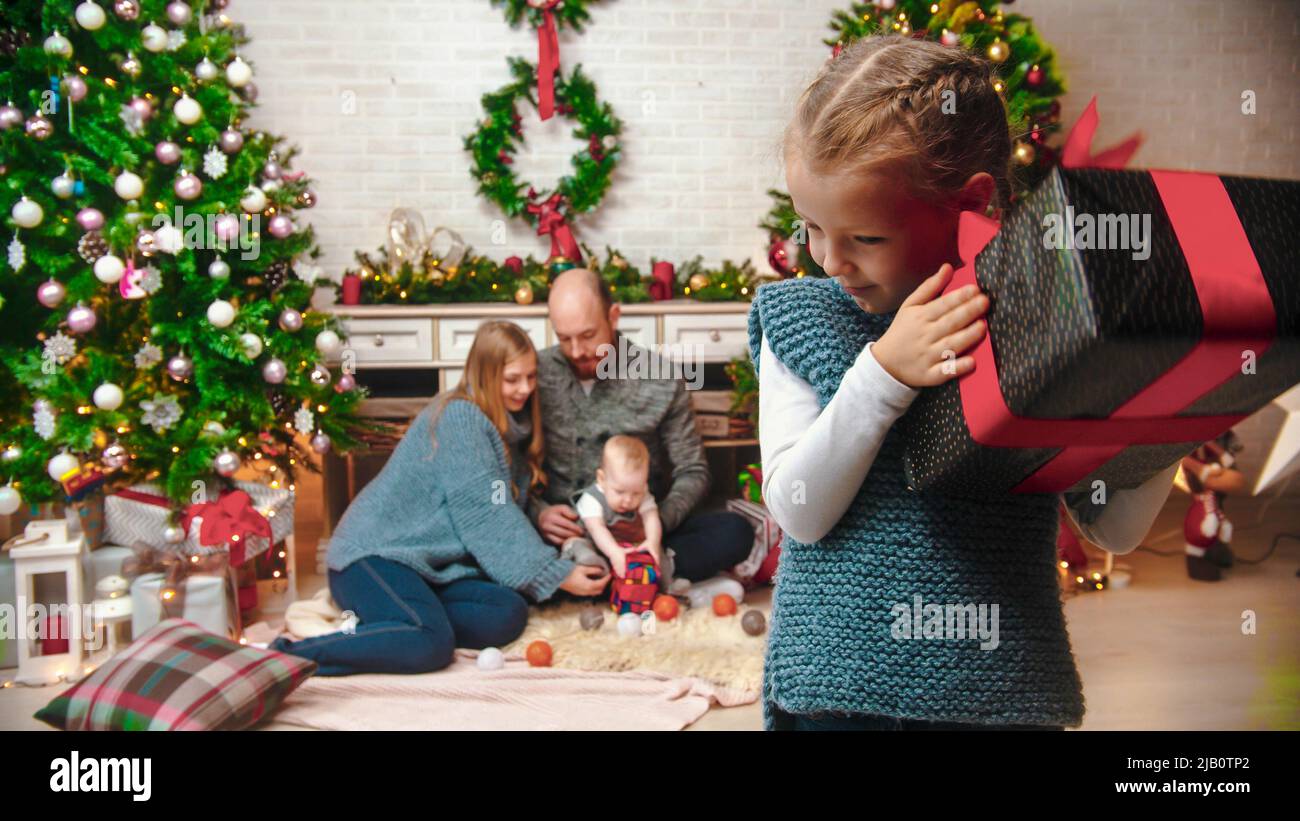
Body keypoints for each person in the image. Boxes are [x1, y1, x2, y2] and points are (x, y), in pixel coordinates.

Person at [750, 34, 1178, 730]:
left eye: (866, 238)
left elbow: (1113, 527)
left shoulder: (1032, 329)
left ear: (972, 202)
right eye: (812, 229)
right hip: (837, 690)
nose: (830, 260)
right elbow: (799, 511)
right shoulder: (800, 320)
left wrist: (1171, 420)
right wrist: (882, 376)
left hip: (999, 691)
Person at [270, 321, 609, 675]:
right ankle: (286, 658)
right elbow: (487, 515)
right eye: (512, 379)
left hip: (428, 567)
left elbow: (499, 494)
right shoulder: (460, 417)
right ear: (485, 375)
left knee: (507, 612)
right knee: (430, 643)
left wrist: (538, 514)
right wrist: (555, 574)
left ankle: (397, 623)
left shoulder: (507, 424)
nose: (525, 388)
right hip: (373, 556)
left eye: (530, 377)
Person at [529, 267, 754, 588]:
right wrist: (539, 512)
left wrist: (656, 523)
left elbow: (693, 471)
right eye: (564, 338)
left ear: (613, 317)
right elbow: (509, 463)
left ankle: (639, 568)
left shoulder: (660, 377)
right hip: (567, 534)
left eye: (588, 336)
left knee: (735, 532)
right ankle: (621, 576)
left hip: (641, 528)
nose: (577, 351)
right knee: (501, 543)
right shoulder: (534, 373)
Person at [563, 434, 673, 588]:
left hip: (626, 546)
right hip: (595, 543)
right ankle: (595, 568)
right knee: (579, 547)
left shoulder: (642, 491)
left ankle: (665, 584)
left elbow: (651, 517)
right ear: (601, 479)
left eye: (636, 493)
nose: (628, 500)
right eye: (620, 492)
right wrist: (614, 552)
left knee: (657, 553)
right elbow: (597, 529)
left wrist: (652, 542)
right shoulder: (591, 499)